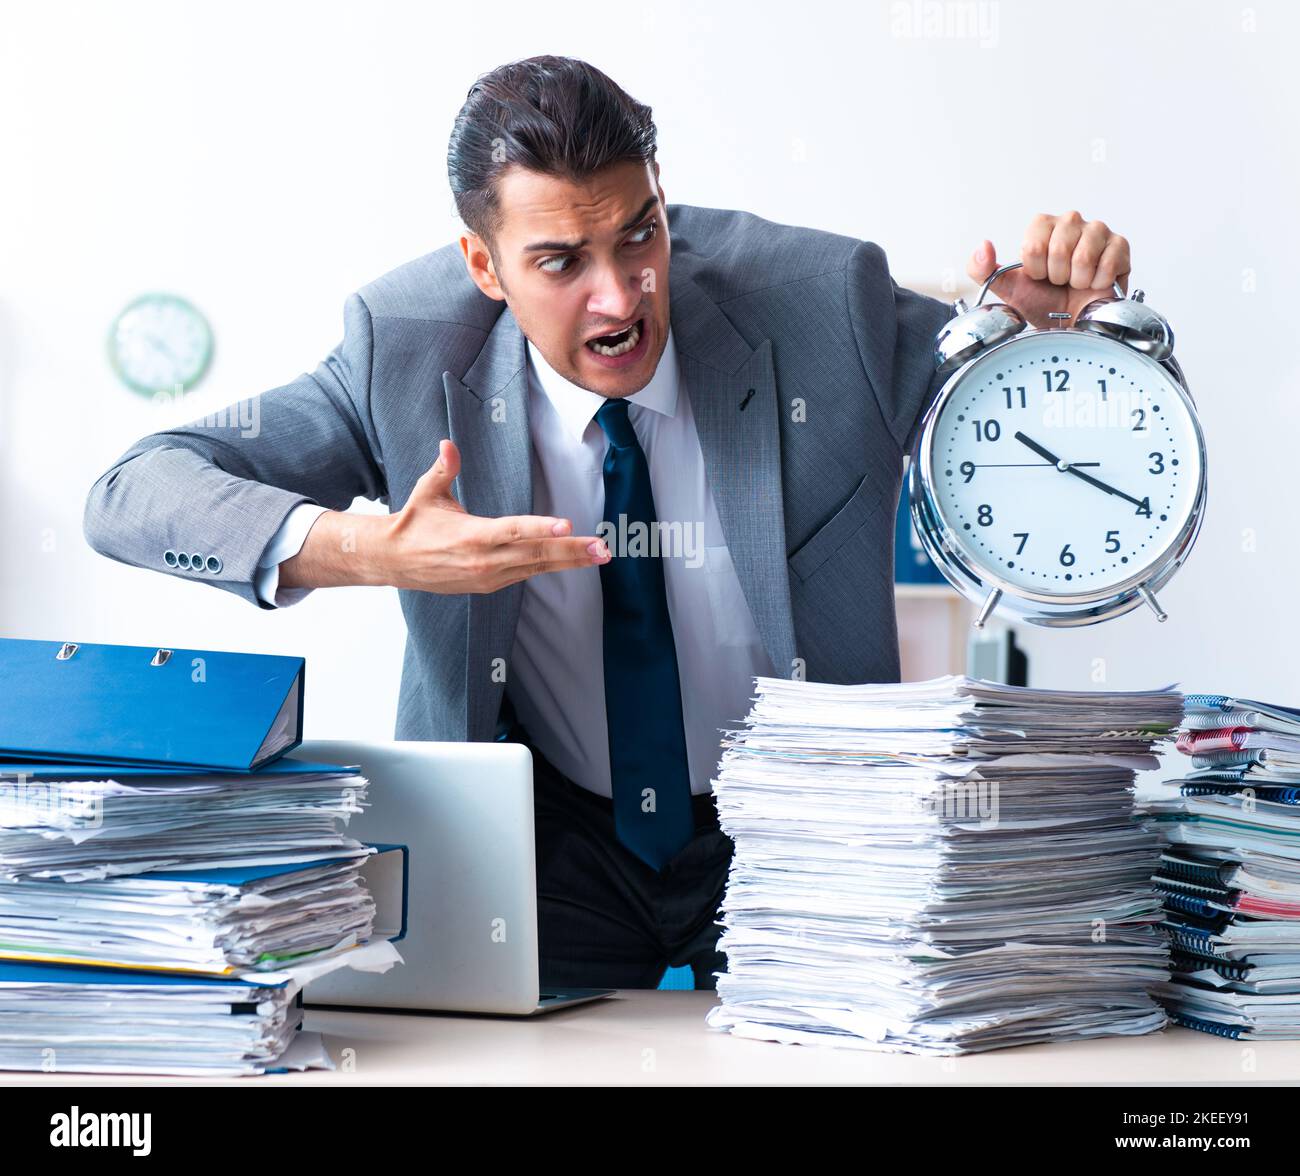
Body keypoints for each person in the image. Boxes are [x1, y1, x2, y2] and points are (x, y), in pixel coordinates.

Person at [82, 54, 1131, 991]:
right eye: (559, 262)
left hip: (804, 825)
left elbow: (1042, 422)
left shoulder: (825, 304)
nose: (619, 296)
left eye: (639, 236)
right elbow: (134, 490)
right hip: (544, 842)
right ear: (484, 268)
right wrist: (367, 550)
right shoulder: (401, 349)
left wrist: (1061, 330)